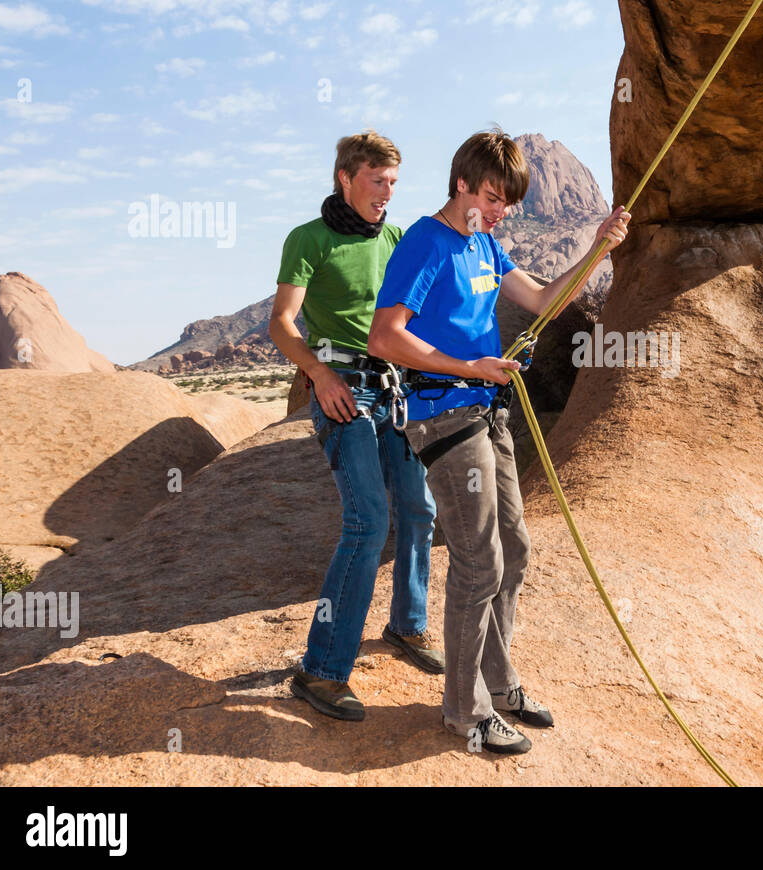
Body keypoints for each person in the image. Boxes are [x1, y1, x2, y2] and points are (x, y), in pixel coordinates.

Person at [367, 127, 629, 754]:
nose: (500, 210)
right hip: (443, 415)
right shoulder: (427, 245)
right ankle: (464, 711)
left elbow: (541, 300)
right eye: (491, 196)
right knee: (479, 559)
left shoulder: (484, 243)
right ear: (462, 183)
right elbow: (385, 336)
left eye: (507, 201)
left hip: (487, 413)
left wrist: (596, 250)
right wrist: (472, 368)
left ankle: (499, 682)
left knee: (514, 548)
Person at [269, 129, 442, 723]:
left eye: (394, 183)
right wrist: (319, 376)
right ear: (346, 178)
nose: (387, 194)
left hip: (396, 389)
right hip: (343, 389)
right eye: (377, 181)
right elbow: (281, 322)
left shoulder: (396, 238)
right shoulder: (309, 239)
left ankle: (407, 627)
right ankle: (321, 671)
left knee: (420, 510)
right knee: (368, 520)